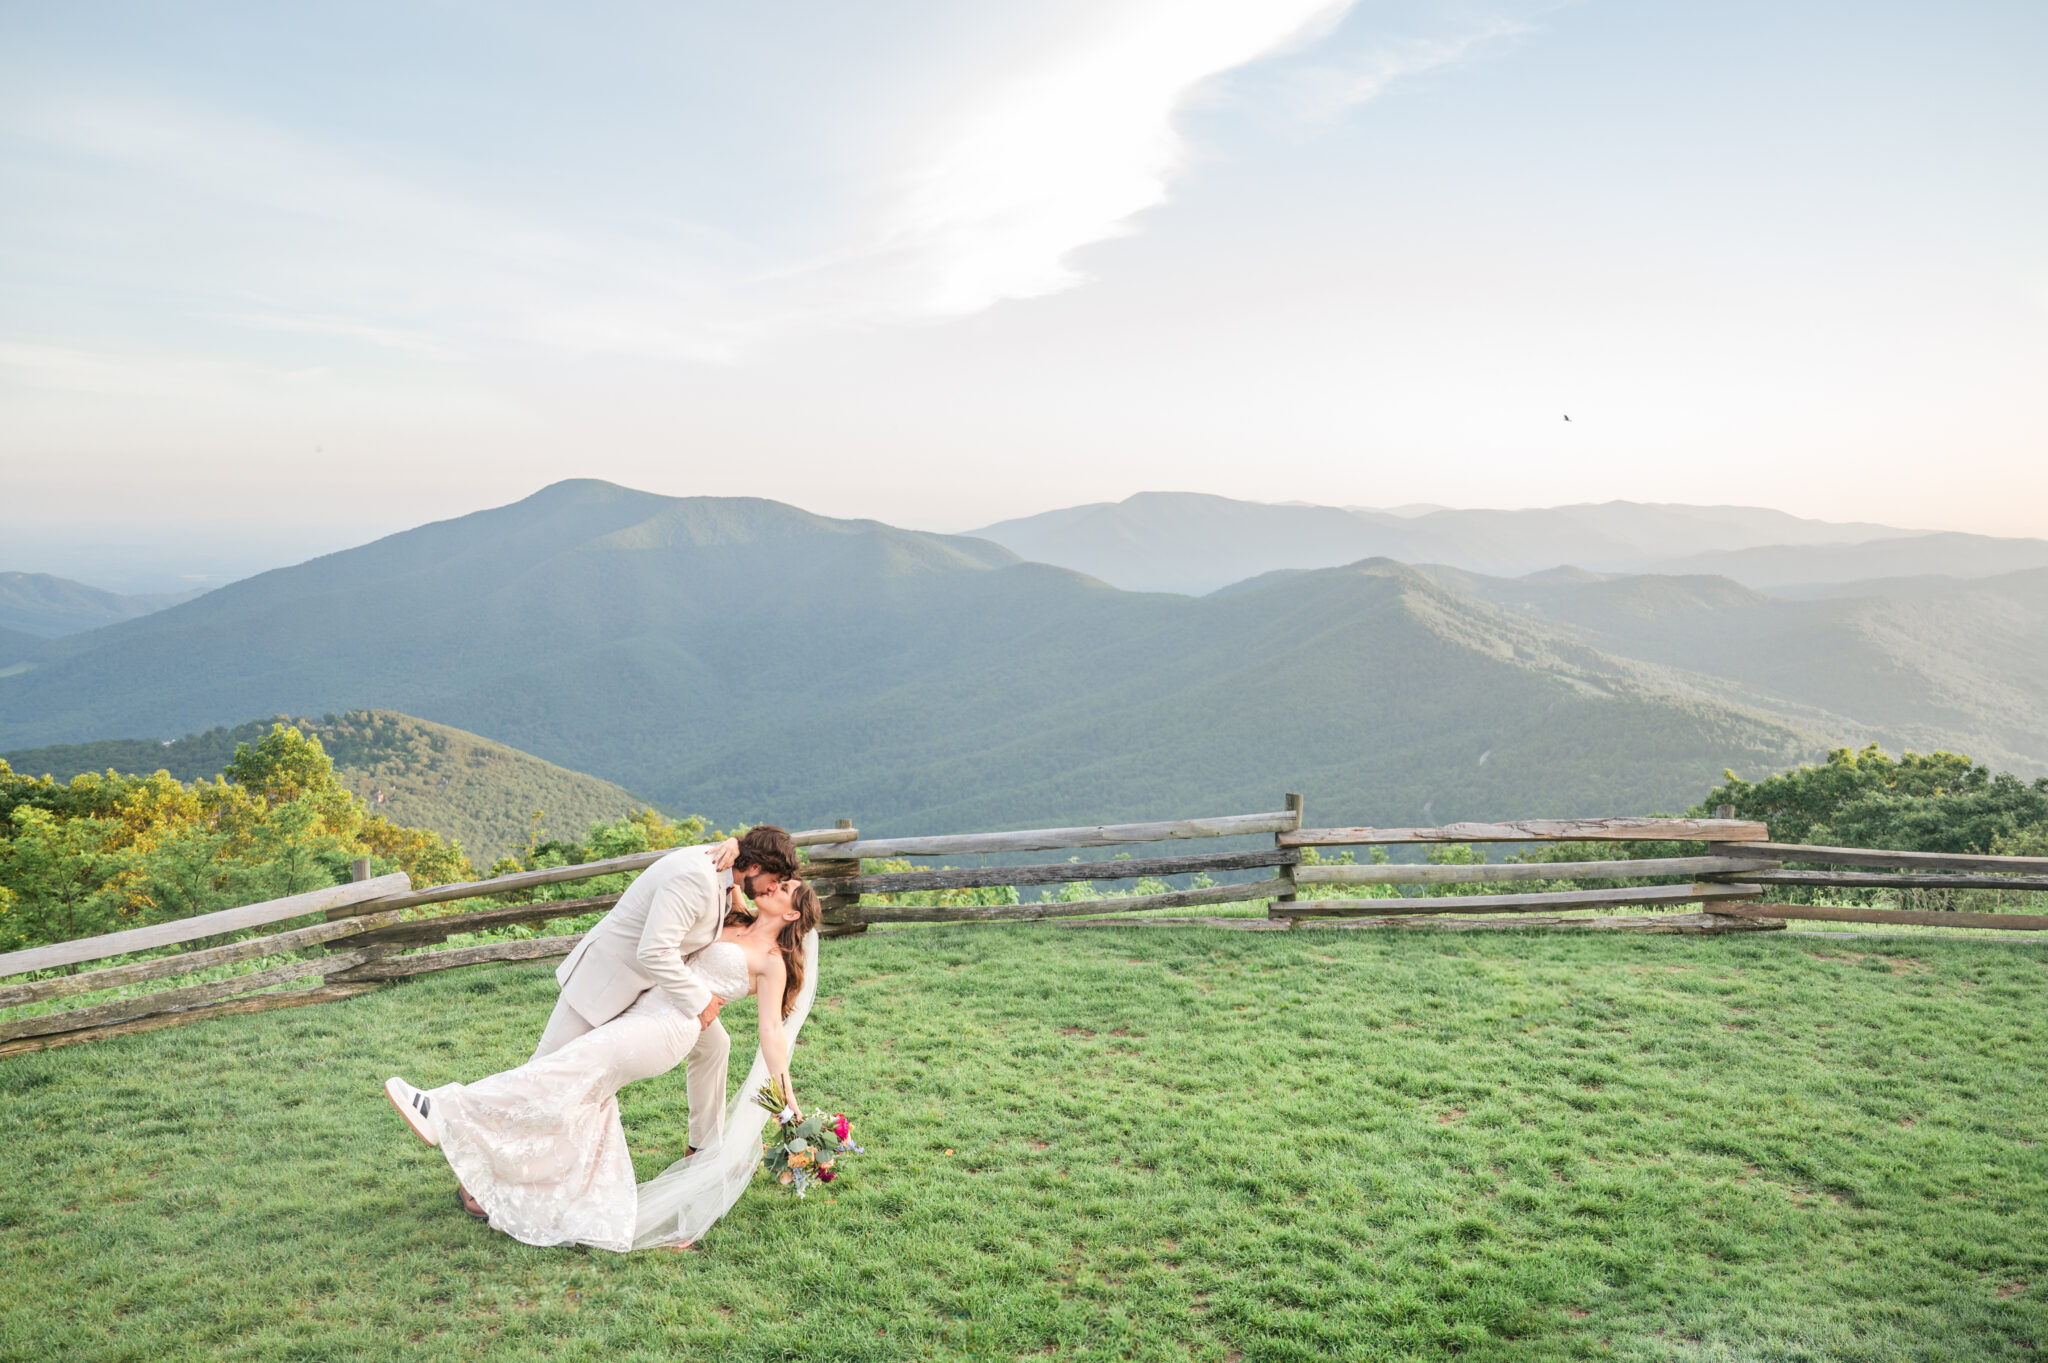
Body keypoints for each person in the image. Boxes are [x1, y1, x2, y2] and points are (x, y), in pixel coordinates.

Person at [380, 827, 810, 1251]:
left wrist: (784, 1094)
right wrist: (702, 1001)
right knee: (553, 1073)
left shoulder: (736, 899)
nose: (771, 889)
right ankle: (488, 1178)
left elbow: (769, 1030)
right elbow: (657, 951)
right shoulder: (708, 879)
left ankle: (444, 1111)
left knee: (572, 1073)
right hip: (611, 984)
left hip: (662, 1012)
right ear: (751, 866)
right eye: (775, 880)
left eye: (781, 888)